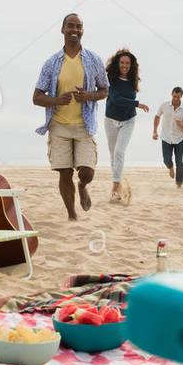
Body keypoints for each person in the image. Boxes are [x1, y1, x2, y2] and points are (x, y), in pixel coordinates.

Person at [33, 13, 109, 220]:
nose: (75, 30)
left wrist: (89, 96)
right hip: (59, 125)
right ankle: (72, 215)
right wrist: (57, 100)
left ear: (82, 31)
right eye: (71, 26)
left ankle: (83, 186)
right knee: (64, 173)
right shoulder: (51, 62)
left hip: (85, 125)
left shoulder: (93, 60)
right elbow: (37, 97)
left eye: (79, 26)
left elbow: (105, 90)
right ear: (63, 29)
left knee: (87, 171)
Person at [104, 49, 149, 205]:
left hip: (128, 120)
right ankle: (119, 183)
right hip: (110, 120)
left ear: (132, 65)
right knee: (113, 155)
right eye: (122, 62)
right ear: (118, 64)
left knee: (119, 151)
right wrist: (137, 104)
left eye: (127, 63)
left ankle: (115, 188)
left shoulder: (133, 80)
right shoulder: (111, 79)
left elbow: (125, 99)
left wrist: (134, 105)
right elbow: (115, 99)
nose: (124, 65)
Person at [152, 86, 183, 189]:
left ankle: (179, 184)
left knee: (179, 161)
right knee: (166, 160)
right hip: (166, 137)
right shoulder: (164, 105)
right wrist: (155, 131)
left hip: (179, 138)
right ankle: (170, 167)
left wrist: (181, 125)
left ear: (181, 96)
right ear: (171, 94)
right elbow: (157, 116)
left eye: (178, 97)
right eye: (174, 96)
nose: (176, 99)